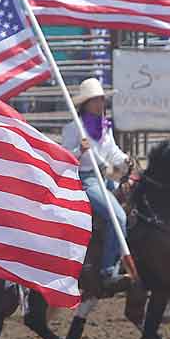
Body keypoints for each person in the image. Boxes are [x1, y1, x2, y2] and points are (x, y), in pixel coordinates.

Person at [61, 77, 132, 293]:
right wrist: (78, 152)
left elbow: (112, 152)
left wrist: (125, 160)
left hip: (105, 177)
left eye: (102, 100)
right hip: (85, 178)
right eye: (95, 100)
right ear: (86, 103)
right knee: (118, 216)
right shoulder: (73, 128)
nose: (100, 104)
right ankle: (108, 270)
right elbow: (64, 158)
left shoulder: (104, 127)